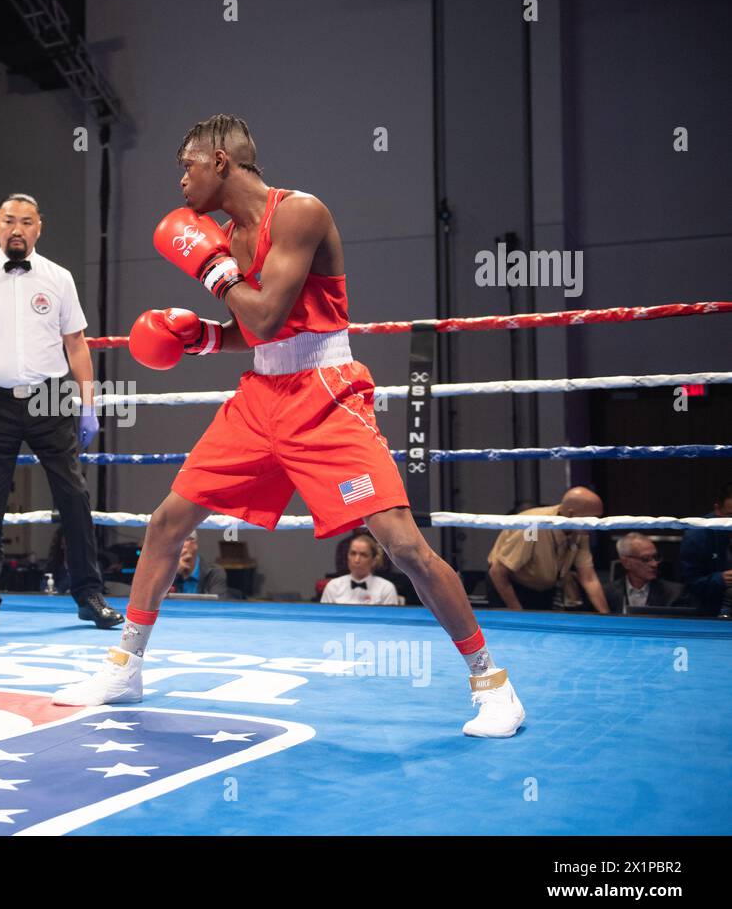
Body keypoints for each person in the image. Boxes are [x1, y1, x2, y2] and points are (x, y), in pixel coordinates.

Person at [54, 114, 523, 738]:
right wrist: (200, 339)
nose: (181, 183)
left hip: (326, 394)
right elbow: (253, 331)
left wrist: (213, 272)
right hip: (260, 396)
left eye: (186, 167)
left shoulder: (300, 213)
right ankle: (125, 666)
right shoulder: (228, 236)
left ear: (221, 161)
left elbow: (272, 315)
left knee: (403, 545)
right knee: (167, 520)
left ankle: (494, 686)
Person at [0, 193, 122, 632]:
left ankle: (89, 595)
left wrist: (89, 404)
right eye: (9, 220)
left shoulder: (59, 278)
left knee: (73, 497)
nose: (17, 228)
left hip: (49, 398)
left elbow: (77, 345)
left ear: (39, 228)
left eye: (26, 221)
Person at [486, 486, 610, 613]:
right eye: (592, 518)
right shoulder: (532, 526)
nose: (596, 524)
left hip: (544, 590)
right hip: (509, 587)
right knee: (517, 630)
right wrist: (518, 613)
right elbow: (497, 572)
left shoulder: (581, 529)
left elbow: (588, 577)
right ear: (572, 514)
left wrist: (607, 617)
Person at [678, 481, 732, 619]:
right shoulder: (697, 535)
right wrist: (720, 579)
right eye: (731, 516)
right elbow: (687, 584)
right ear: (717, 510)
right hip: (708, 610)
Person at [604, 532, 686, 614]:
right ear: (626, 563)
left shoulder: (675, 594)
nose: (654, 564)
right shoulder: (606, 594)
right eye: (646, 559)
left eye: (656, 557)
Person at [321, 534, 399, 605]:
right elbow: (323, 617)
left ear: (374, 560)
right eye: (353, 553)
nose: (357, 560)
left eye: (363, 555)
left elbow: (390, 620)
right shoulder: (333, 586)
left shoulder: (386, 588)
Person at [169, 531, 228, 597]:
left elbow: (219, 605)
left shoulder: (214, 573)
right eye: (174, 541)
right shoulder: (166, 574)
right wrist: (175, 574)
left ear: (195, 544)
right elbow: (159, 601)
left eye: (184, 539)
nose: (179, 545)